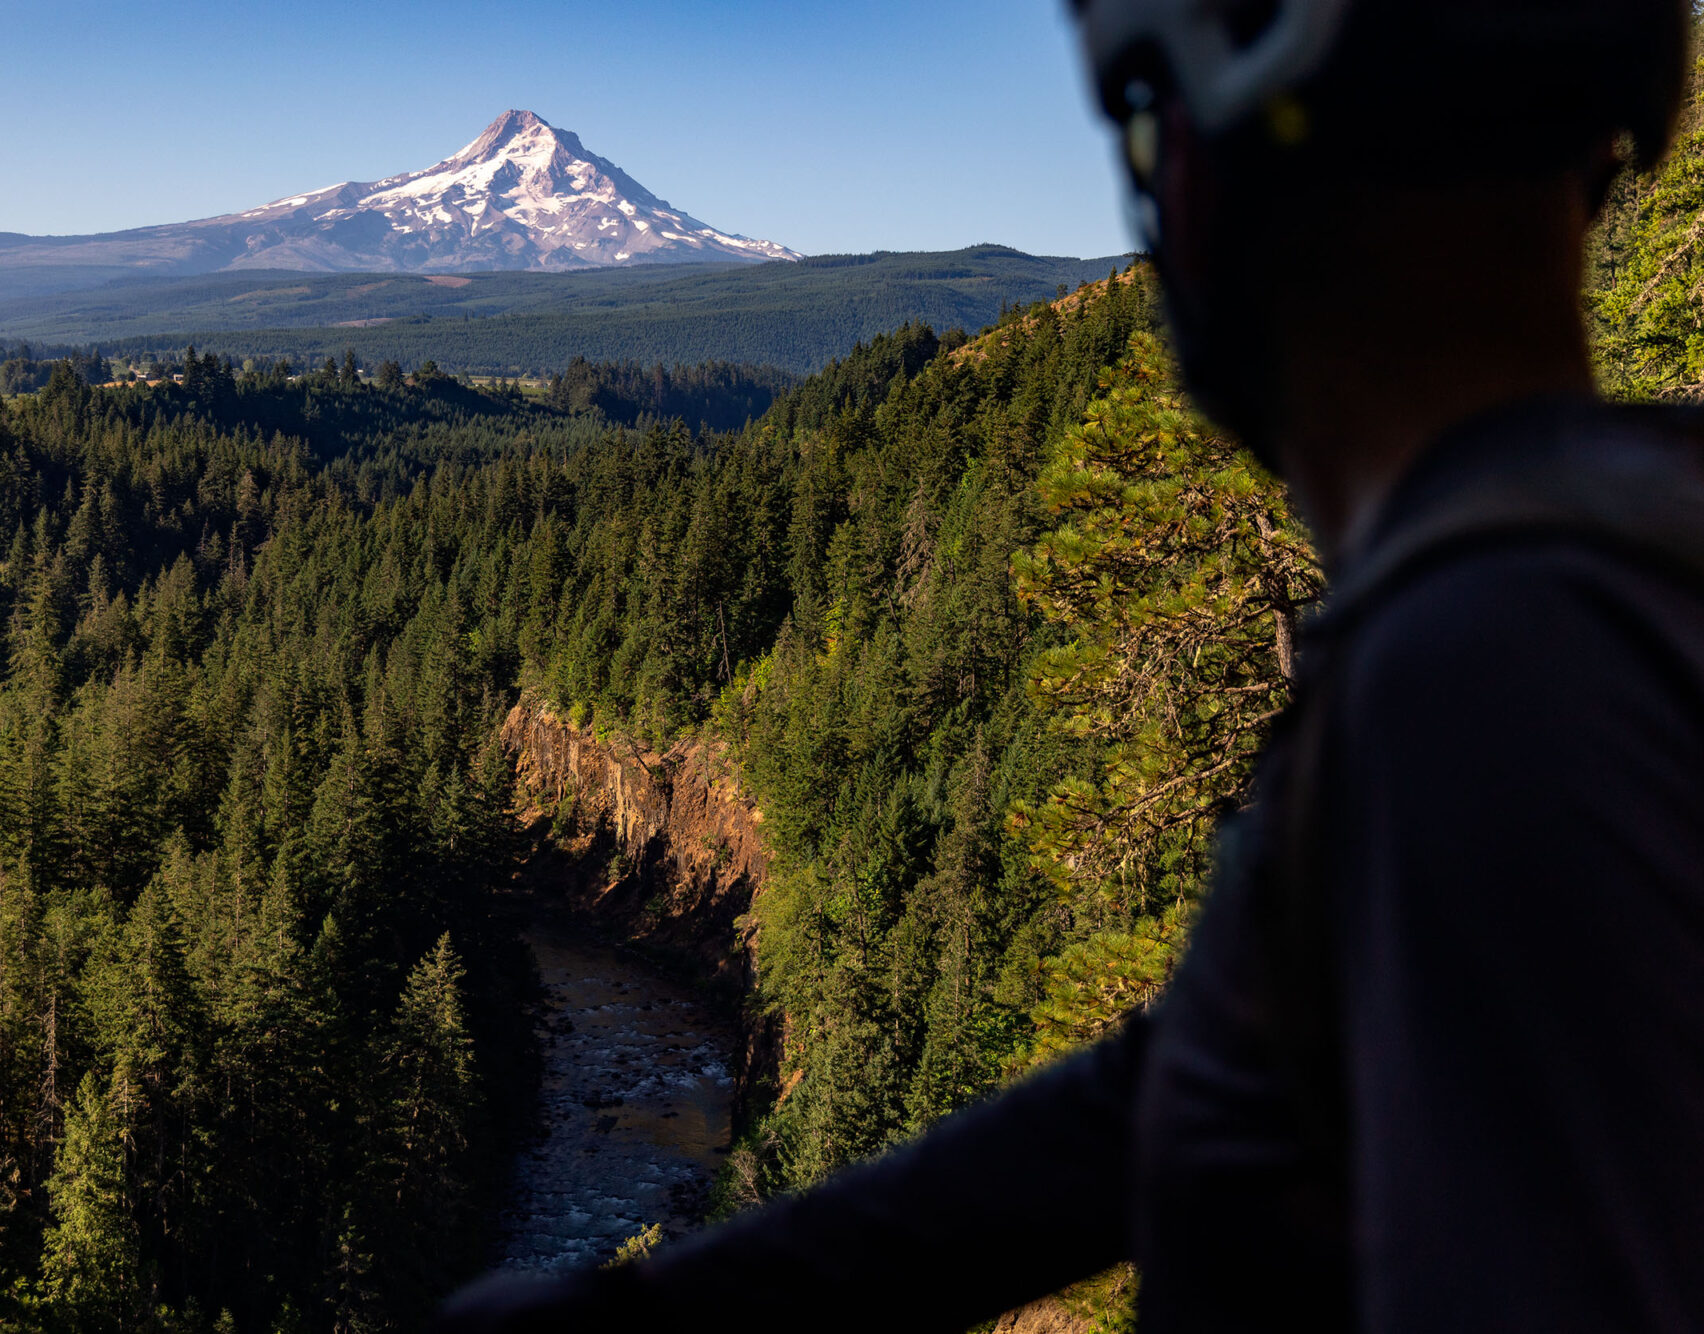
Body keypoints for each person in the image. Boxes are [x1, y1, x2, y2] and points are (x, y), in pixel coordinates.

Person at [436, 0, 1704, 1329]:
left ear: (1216, 178)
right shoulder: (1592, 575)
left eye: (1155, 133)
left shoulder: (1486, 677)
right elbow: (1168, 1100)